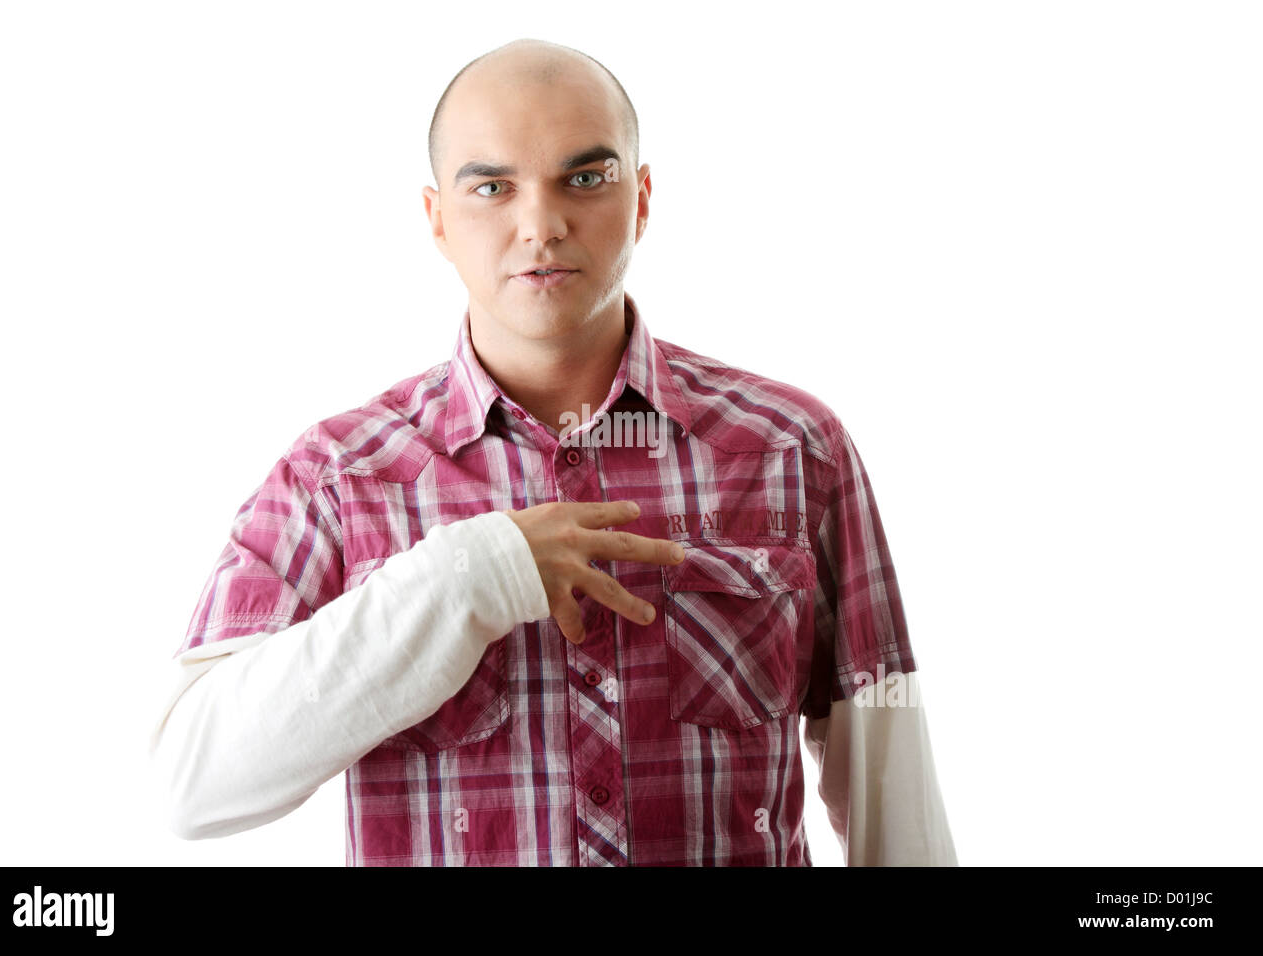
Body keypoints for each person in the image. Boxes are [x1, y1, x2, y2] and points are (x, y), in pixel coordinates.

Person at [146, 37, 958, 866]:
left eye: (585, 178)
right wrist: (471, 577)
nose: (541, 224)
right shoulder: (339, 477)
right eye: (492, 188)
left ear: (641, 199)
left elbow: (895, 788)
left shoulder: (793, 449)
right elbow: (189, 782)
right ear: (437, 220)